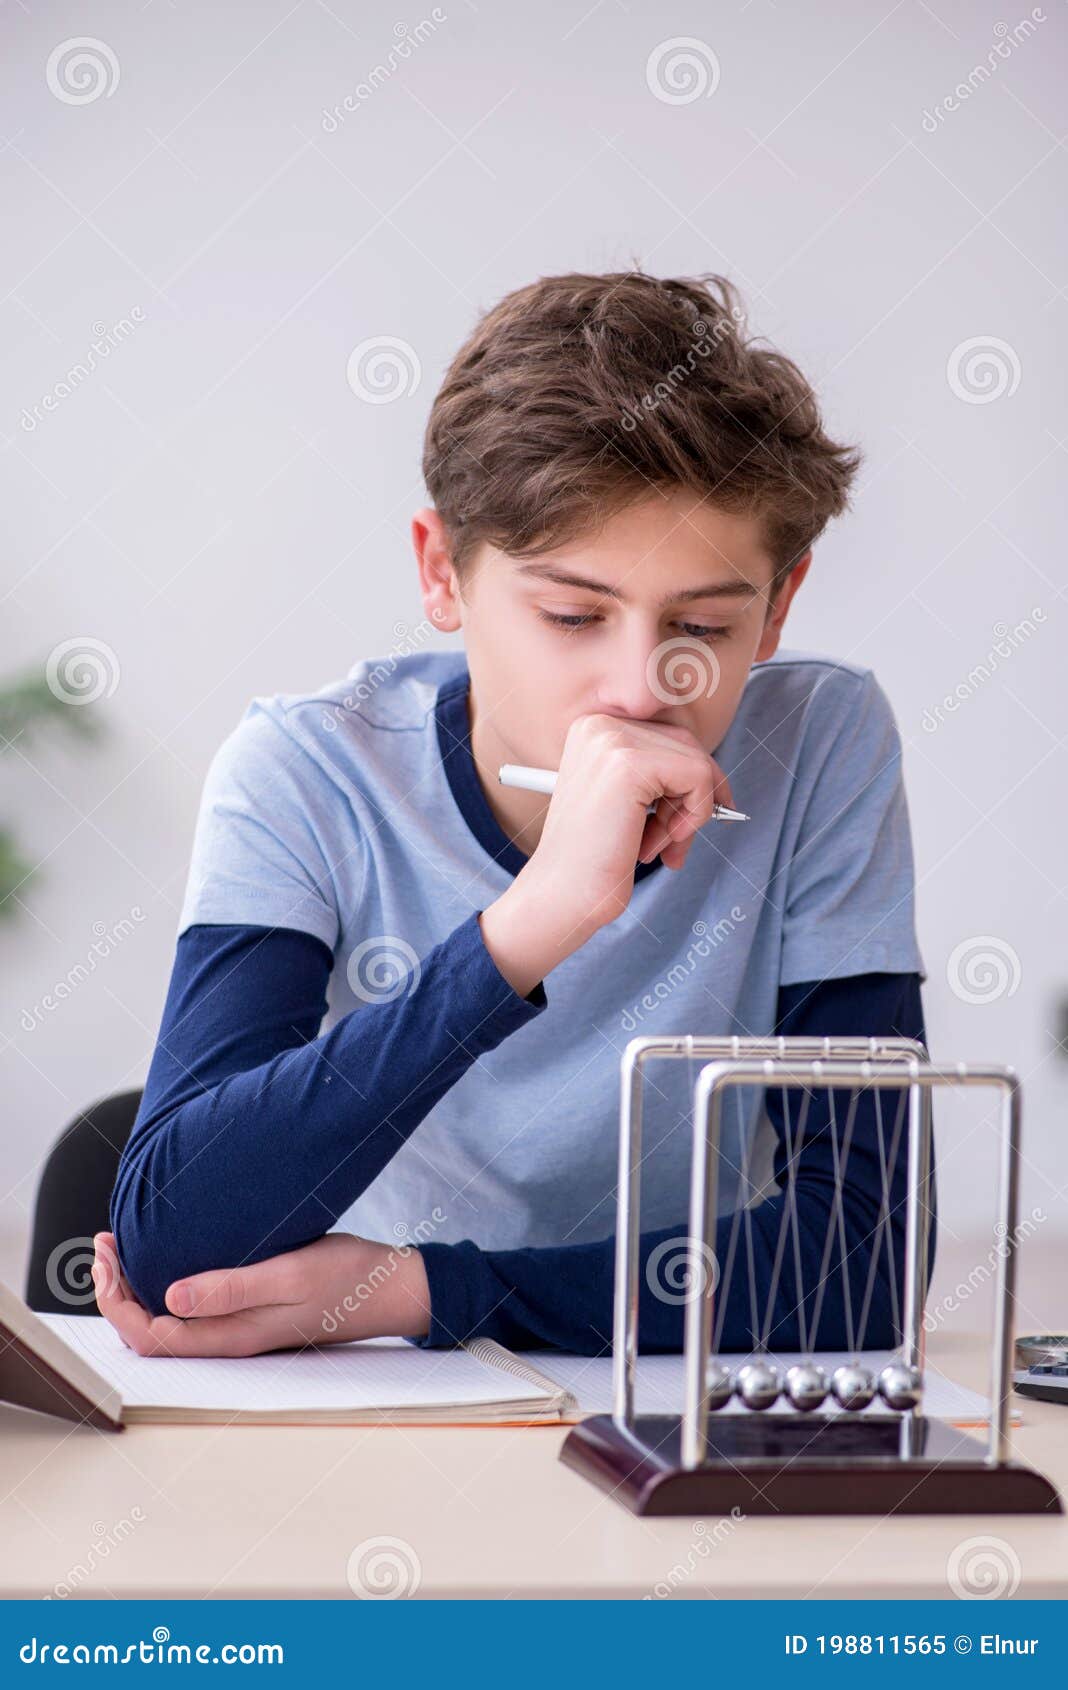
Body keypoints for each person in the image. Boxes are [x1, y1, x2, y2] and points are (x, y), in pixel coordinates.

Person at [93, 270, 935, 1360]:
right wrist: (531, 923)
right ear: (442, 572)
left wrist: (430, 1290)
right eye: (574, 614)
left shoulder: (820, 743)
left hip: (636, 1398)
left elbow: (858, 1264)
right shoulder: (306, 770)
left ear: (779, 608)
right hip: (369, 1404)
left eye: (705, 626)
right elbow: (174, 1246)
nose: (640, 689)